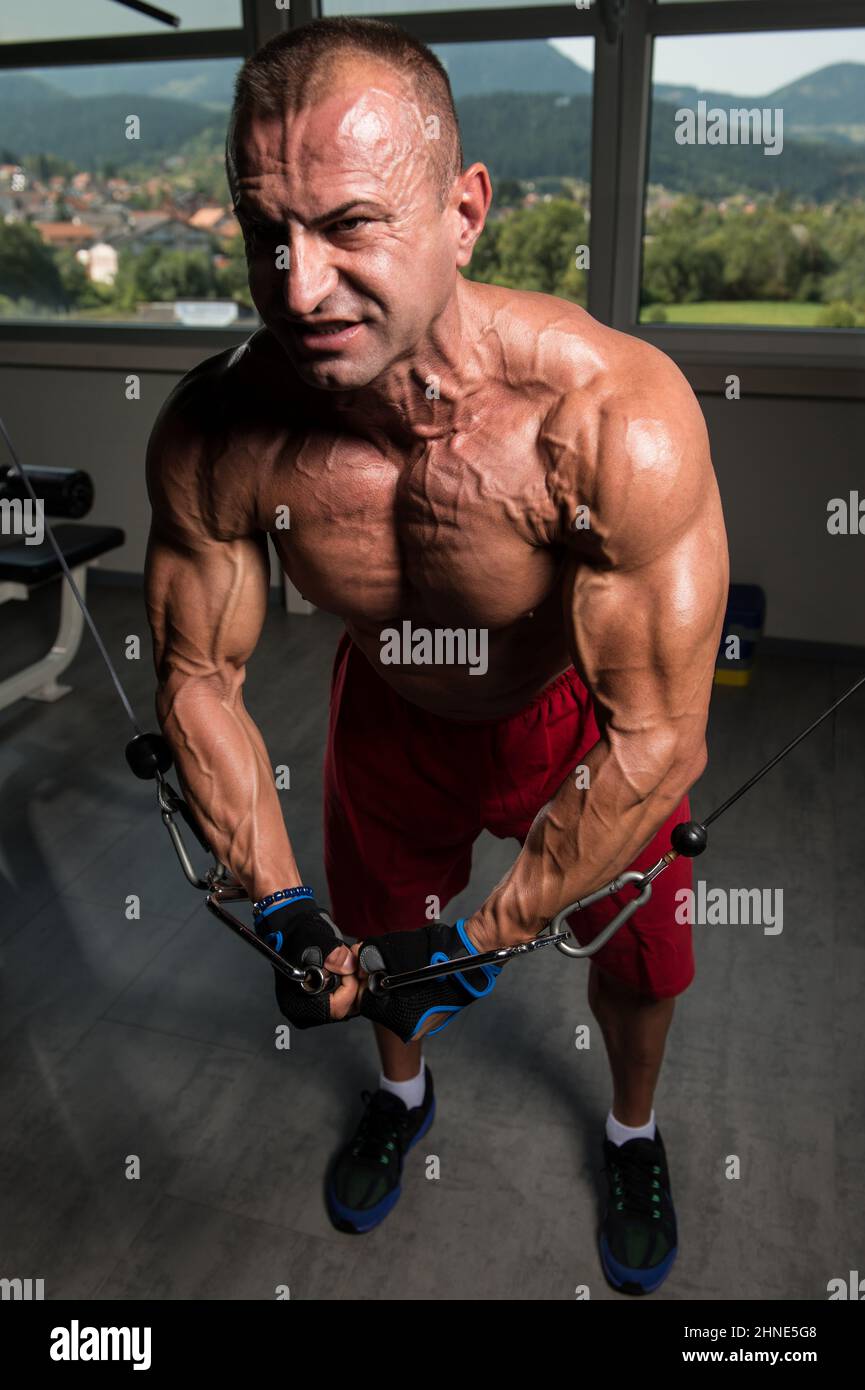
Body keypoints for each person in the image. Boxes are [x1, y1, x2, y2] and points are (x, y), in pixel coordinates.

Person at [144, 17, 728, 1294]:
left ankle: (631, 1131)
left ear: (465, 212)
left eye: (350, 224)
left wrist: (493, 932)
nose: (297, 287)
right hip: (389, 714)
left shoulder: (612, 420)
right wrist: (284, 906)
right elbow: (199, 678)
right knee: (371, 931)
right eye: (265, 234)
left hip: (570, 710)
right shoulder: (223, 432)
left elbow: (662, 736)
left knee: (639, 952)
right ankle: (401, 1097)